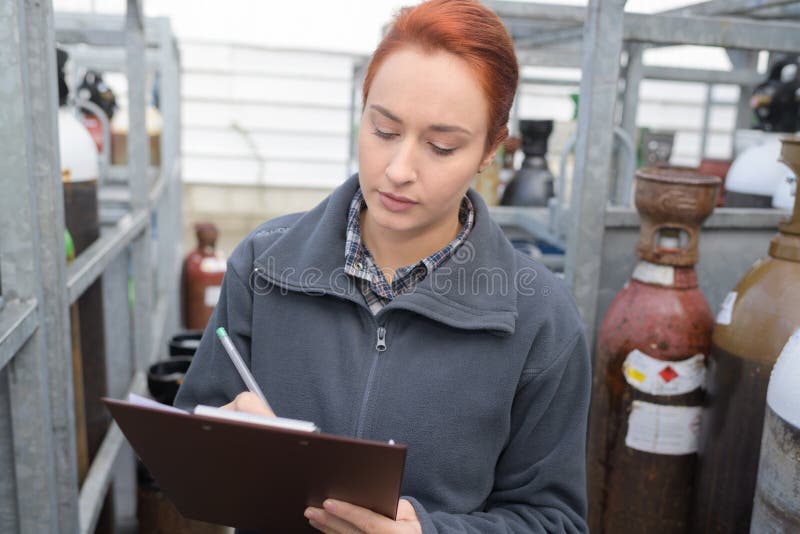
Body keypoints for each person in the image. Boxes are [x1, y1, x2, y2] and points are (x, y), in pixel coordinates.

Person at [174, 0, 591, 532]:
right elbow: (187, 442)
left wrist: (430, 532)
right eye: (384, 130)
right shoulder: (265, 263)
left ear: (491, 149)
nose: (398, 170)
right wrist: (218, 441)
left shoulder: (540, 320)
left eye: (441, 147)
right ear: (362, 107)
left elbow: (554, 521)